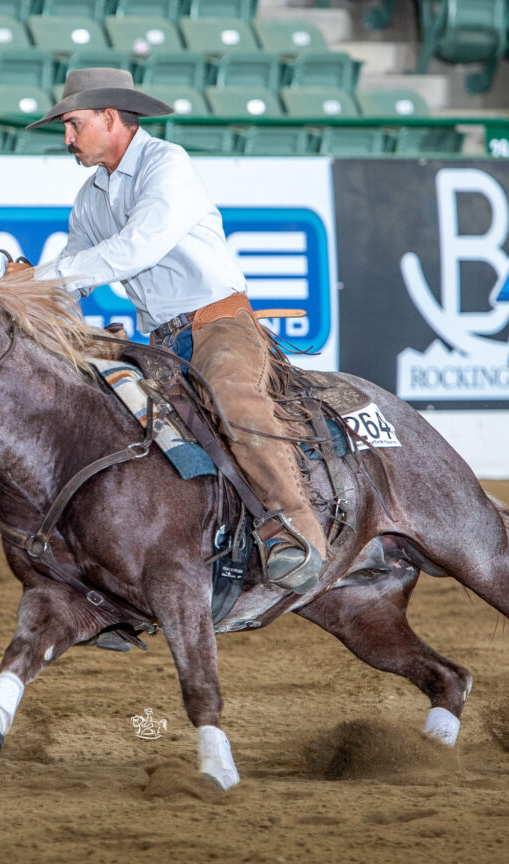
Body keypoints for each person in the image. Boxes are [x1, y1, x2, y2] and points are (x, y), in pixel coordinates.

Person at [26, 67, 327, 592]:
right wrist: (23, 290)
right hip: (164, 342)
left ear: (110, 117)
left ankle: (299, 533)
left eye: (73, 124)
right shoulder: (91, 197)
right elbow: (74, 273)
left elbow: (136, 247)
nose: (67, 139)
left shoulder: (168, 164)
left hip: (219, 323)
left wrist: (41, 277)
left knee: (235, 400)